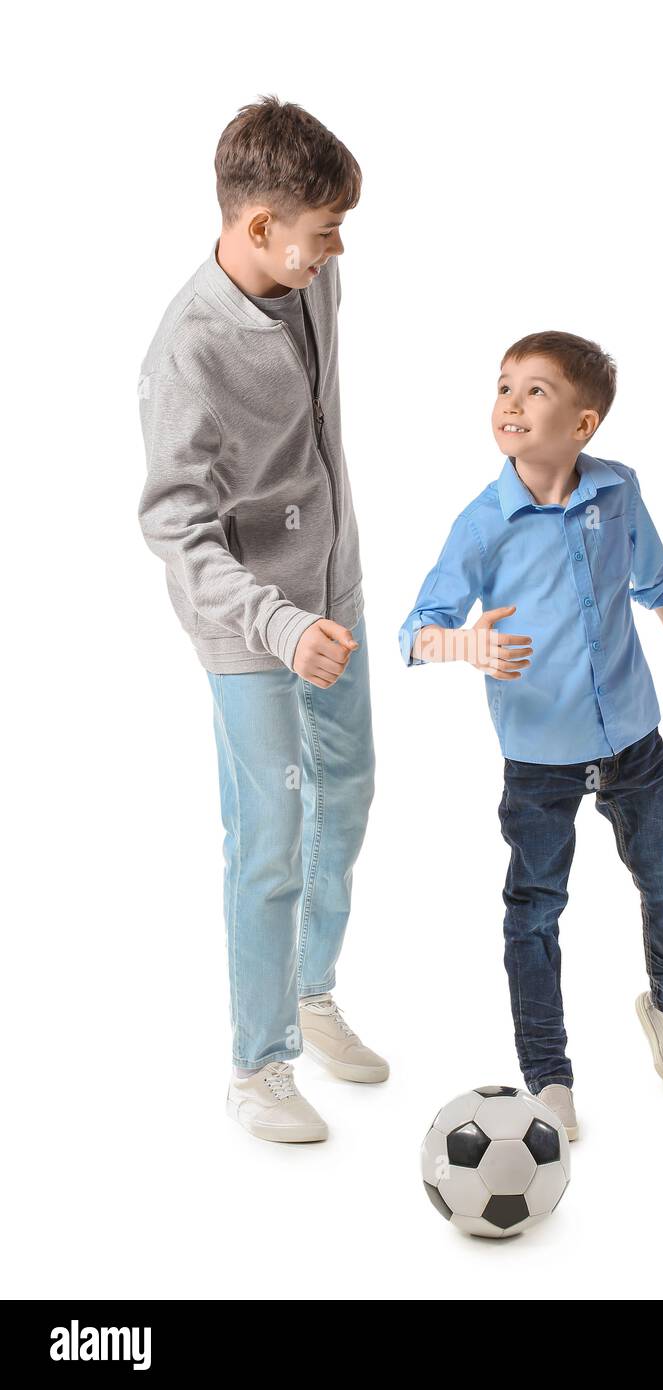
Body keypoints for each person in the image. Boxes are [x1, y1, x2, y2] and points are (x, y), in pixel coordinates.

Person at [137, 96, 386, 1145]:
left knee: (349, 795)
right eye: (322, 229)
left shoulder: (313, 278)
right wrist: (279, 626)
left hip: (337, 600)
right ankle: (258, 1062)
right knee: (271, 836)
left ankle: (310, 990)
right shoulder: (188, 351)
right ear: (255, 228)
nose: (337, 249)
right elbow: (176, 531)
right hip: (250, 635)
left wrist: (325, 600)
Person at [398, 332, 663, 1140]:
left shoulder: (617, 491)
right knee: (534, 910)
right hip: (538, 757)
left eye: (534, 390)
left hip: (633, 741)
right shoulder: (482, 523)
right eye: (503, 385)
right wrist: (464, 642)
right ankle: (549, 1073)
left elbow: (655, 577)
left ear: (583, 424)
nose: (509, 401)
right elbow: (417, 630)